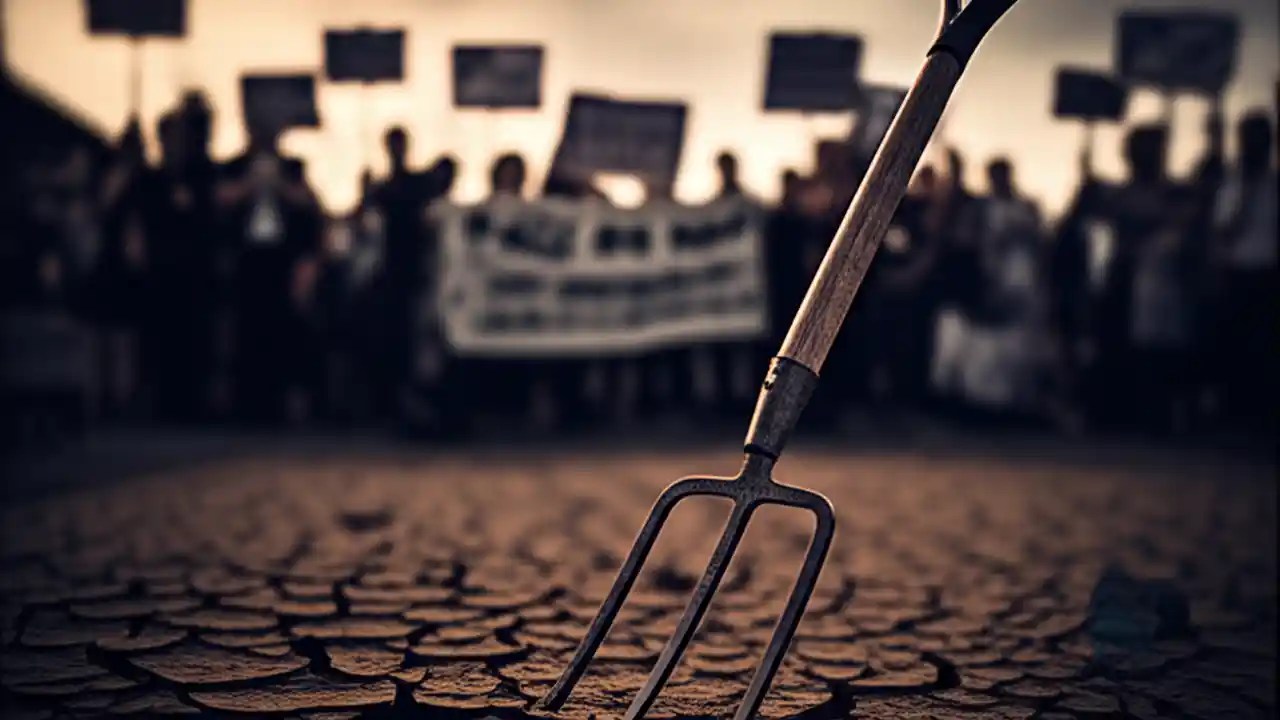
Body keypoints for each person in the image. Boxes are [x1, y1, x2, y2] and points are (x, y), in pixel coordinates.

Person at [216, 122, 322, 424]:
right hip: (247, 259)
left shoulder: (292, 167)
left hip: (280, 260)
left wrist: (278, 185)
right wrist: (251, 183)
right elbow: (221, 199)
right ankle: (246, 404)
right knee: (247, 331)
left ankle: (276, 405)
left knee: (279, 331)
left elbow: (309, 204)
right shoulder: (235, 166)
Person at [1210, 111, 1277, 430]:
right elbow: (1224, 229)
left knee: (1263, 346)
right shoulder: (1232, 185)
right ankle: (1234, 412)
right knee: (1236, 346)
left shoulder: (1273, 185)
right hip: (1238, 272)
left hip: (1268, 274)